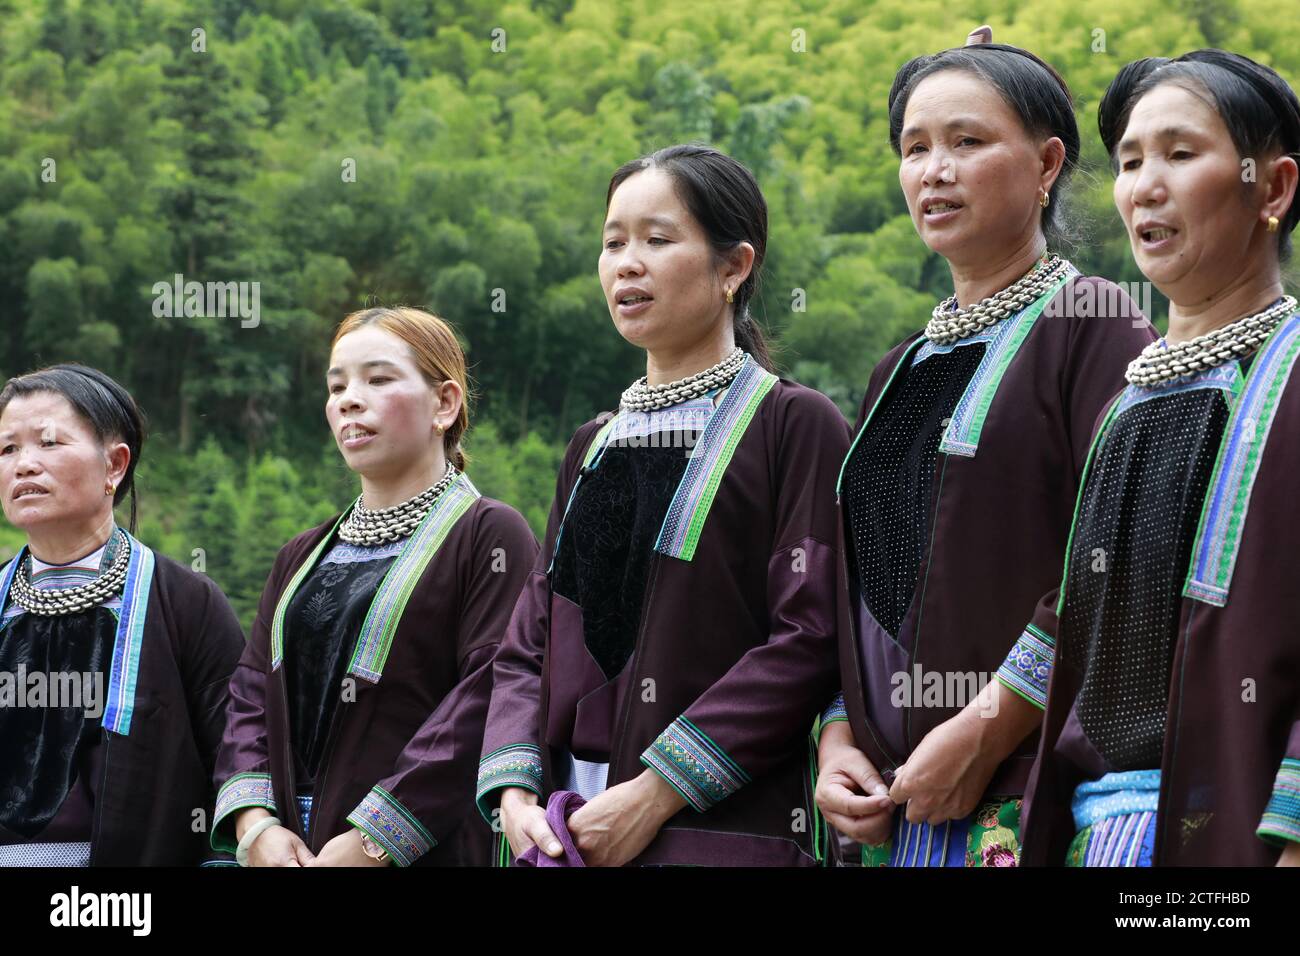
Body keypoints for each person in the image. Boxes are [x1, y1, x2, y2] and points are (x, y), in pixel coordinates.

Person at [815, 29, 1154, 867]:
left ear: (1045, 166)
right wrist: (835, 740)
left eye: (967, 142)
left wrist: (989, 722)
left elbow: (1124, 554)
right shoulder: (901, 366)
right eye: (915, 148)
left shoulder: (1097, 322)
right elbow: (859, 582)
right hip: (900, 810)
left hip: (1027, 796)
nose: (934, 170)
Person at [477, 144, 849, 866]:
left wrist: (656, 790)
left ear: (733, 267)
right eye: (612, 242)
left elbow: (809, 636)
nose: (626, 262)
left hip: (719, 830)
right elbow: (530, 637)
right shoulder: (593, 444)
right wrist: (516, 791)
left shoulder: (792, 426)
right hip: (567, 830)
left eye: (657, 239)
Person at [1021, 49, 1300, 867]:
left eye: (1181, 155)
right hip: (1093, 833)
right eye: (1131, 160)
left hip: (1237, 834)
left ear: (1274, 188)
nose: (1145, 184)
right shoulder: (1125, 403)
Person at [212, 307, 537, 867]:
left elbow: (488, 692)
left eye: (378, 379)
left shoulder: (489, 534)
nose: (348, 399)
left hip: (426, 848)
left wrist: (377, 837)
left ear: (445, 403)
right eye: (336, 386)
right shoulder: (300, 557)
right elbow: (249, 692)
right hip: (291, 845)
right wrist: (255, 823)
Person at [0, 364, 243, 865]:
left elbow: (238, 757)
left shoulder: (187, 603)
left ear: (115, 465)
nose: (24, 464)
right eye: (7, 449)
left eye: (48, 443)